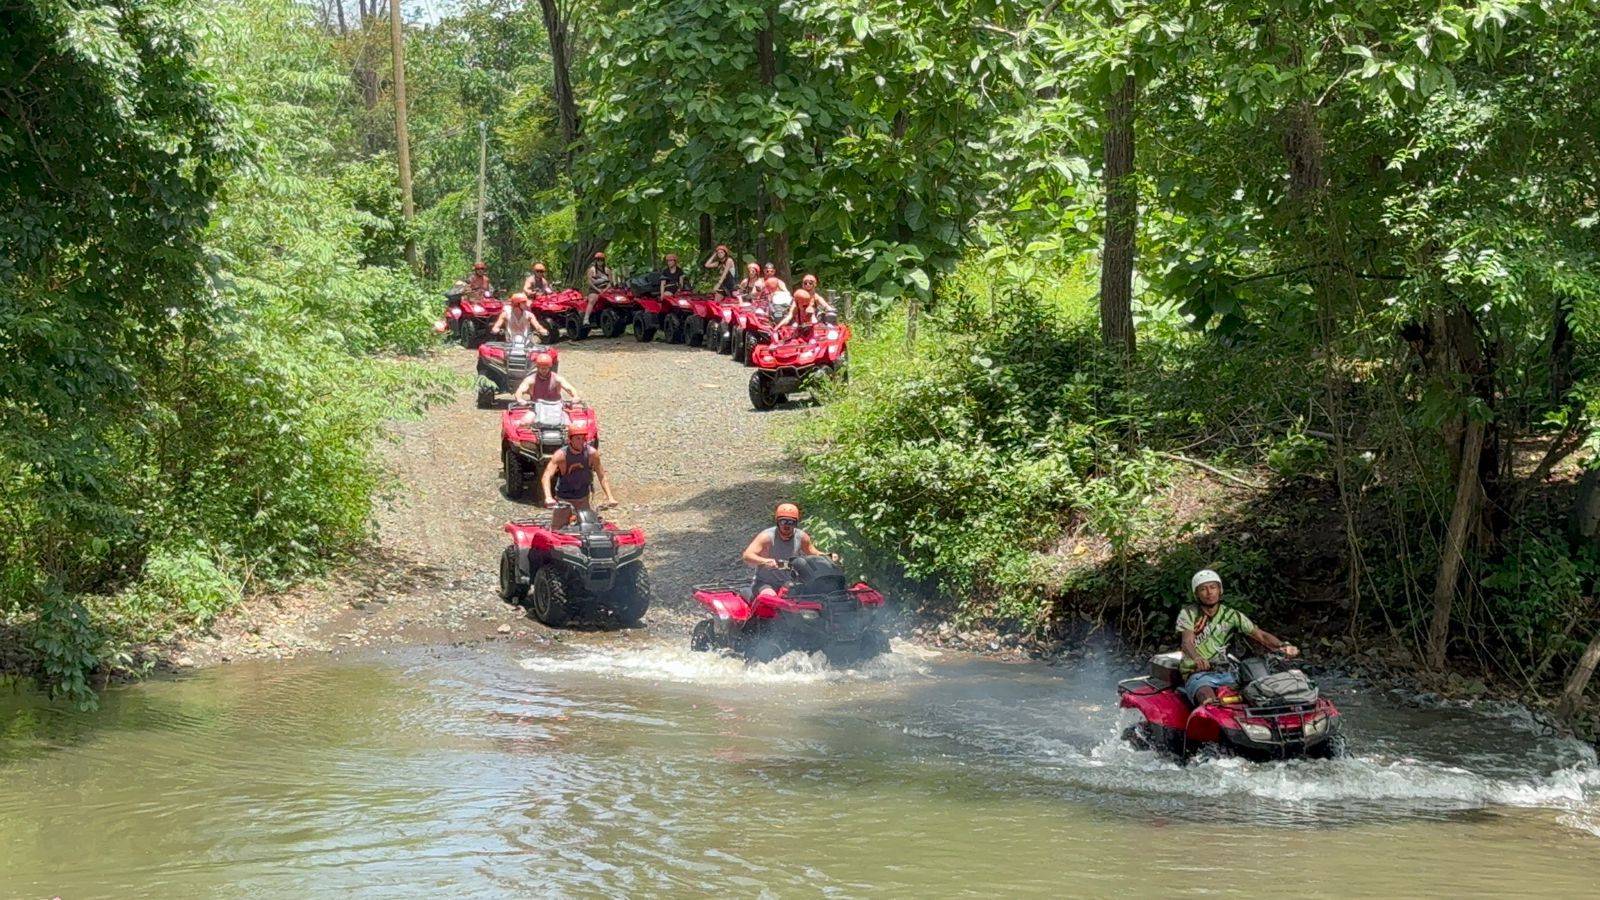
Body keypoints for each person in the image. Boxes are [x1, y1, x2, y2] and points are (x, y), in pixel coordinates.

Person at [1177, 569, 1299, 706]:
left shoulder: (1231, 615)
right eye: (1203, 589)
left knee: (1262, 694)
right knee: (1209, 702)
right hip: (1198, 673)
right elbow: (1187, 642)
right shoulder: (1189, 613)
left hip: (1228, 671)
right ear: (1197, 594)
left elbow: (1261, 635)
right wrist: (1197, 658)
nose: (1209, 592)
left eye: (1213, 587)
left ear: (1220, 590)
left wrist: (1283, 646)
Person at [742, 503, 834, 600]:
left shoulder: (802, 537)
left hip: (788, 582)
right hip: (764, 582)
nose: (786, 526)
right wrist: (765, 561)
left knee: (805, 598)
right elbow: (747, 555)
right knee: (770, 598)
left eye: (791, 522)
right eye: (783, 521)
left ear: (796, 523)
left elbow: (814, 553)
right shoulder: (767, 537)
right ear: (777, 521)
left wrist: (829, 556)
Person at [541, 420, 616, 530]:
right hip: (564, 499)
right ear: (570, 439)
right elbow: (546, 476)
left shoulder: (592, 454)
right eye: (577, 438)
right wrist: (548, 497)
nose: (581, 442)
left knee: (589, 529)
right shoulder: (560, 456)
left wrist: (610, 497)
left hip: (583, 497)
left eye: (583, 438)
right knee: (557, 529)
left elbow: (602, 475)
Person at [514, 353, 579, 403]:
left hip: (556, 407)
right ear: (537, 367)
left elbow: (569, 388)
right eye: (541, 368)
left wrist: (575, 396)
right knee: (526, 420)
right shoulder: (530, 380)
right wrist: (519, 399)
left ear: (549, 367)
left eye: (546, 368)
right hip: (537, 407)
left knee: (568, 420)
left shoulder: (557, 379)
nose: (543, 370)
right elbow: (520, 390)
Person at [583, 251, 612, 327]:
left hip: (606, 289)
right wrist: (598, 290)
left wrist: (605, 289)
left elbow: (610, 282)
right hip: (594, 289)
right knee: (593, 299)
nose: (600, 262)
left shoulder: (607, 270)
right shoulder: (591, 270)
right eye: (598, 260)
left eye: (601, 260)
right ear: (596, 260)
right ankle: (586, 319)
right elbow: (590, 282)